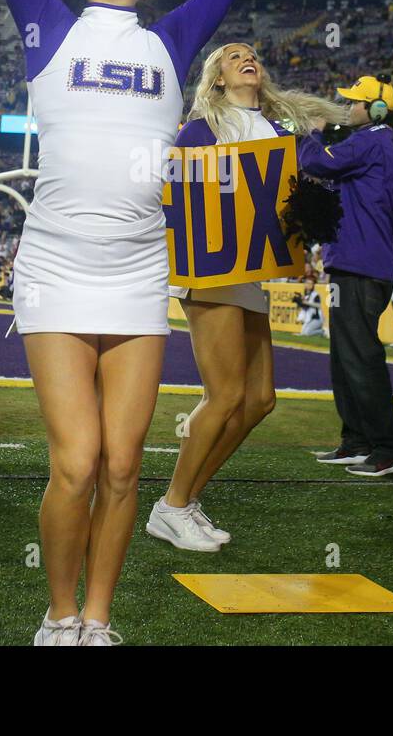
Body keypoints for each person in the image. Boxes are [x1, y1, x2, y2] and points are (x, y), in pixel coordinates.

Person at [0, 0, 302, 645]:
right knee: (75, 462)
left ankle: (100, 619)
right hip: (56, 269)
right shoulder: (48, 27)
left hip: (139, 274)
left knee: (120, 466)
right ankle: (58, 612)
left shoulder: (172, 41)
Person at [147, 43, 344, 551]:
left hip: (250, 276)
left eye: (251, 54)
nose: (246, 58)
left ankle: (184, 500)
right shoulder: (201, 130)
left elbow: (289, 200)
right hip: (211, 272)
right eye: (233, 57)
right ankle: (170, 505)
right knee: (226, 395)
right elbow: (173, 197)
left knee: (259, 399)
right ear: (216, 78)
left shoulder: (283, 135)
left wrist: (308, 213)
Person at [302, 75, 393, 477]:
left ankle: (389, 447)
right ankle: (357, 440)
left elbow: (318, 162)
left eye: (355, 102)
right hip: (358, 263)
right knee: (345, 356)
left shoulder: (373, 140)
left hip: (359, 265)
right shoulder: (389, 148)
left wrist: (308, 134)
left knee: (361, 358)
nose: (347, 107)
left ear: (377, 109)